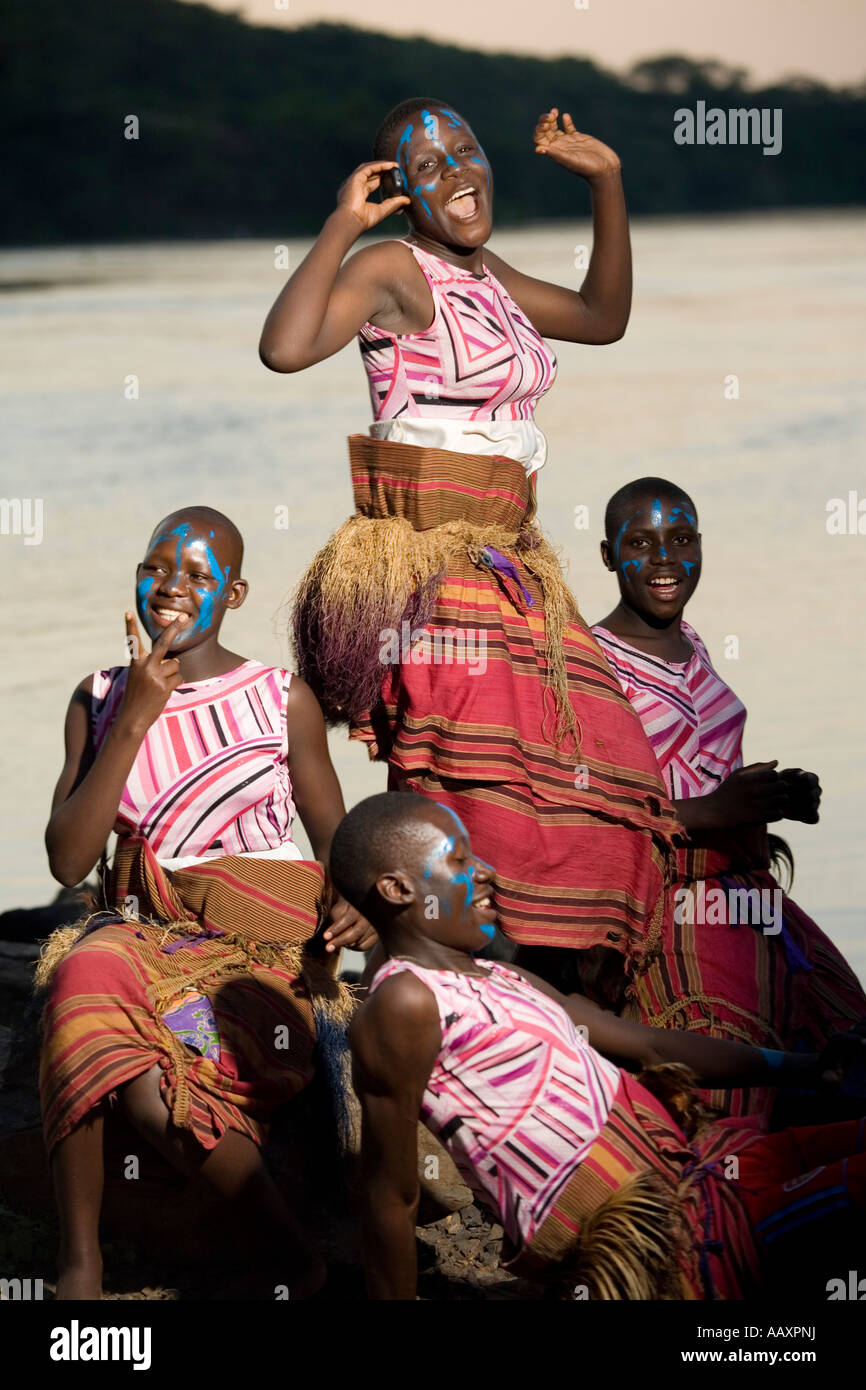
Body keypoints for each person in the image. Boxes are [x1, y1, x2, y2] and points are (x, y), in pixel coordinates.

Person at [259, 97, 680, 1005]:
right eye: (428, 161)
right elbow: (286, 348)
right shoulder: (392, 267)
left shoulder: (485, 274)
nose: (456, 168)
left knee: (603, 768)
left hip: (513, 562)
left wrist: (607, 183)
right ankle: (452, 1001)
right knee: (477, 787)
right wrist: (340, 224)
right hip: (434, 571)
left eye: (466, 148)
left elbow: (603, 317)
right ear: (401, 192)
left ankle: (553, 997)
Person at [334, 791, 866, 1301]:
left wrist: (808, 1067)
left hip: (704, 1173)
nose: (487, 872)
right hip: (671, 1243)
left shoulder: (505, 978)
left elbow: (651, 1046)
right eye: (460, 861)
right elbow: (390, 1194)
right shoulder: (405, 1000)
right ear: (398, 890)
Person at [39, 506, 374, 1300]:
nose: (172, 587)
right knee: (85, 973)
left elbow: (337, 847)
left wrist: (356, 903)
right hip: (143, 940)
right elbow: (67, 859)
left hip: (257, 954)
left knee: (167, 1063)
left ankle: (288, 1255)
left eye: (198, 573)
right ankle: (80, 1264)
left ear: (237, 591)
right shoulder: (99, 698)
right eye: (158, 567)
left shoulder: (279, 698)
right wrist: (135, 719)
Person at [591, 478, 866, 1121]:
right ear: (608, 555)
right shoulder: (592, 662)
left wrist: (772, 795)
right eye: (641, 542)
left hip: (747, 891)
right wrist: (712, 812)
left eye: (682, 539)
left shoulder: (695, 645)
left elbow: (705, 767)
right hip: (671, 903)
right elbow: (593, 813)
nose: (665, 559)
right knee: (734, 1084)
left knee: (844, 1045)